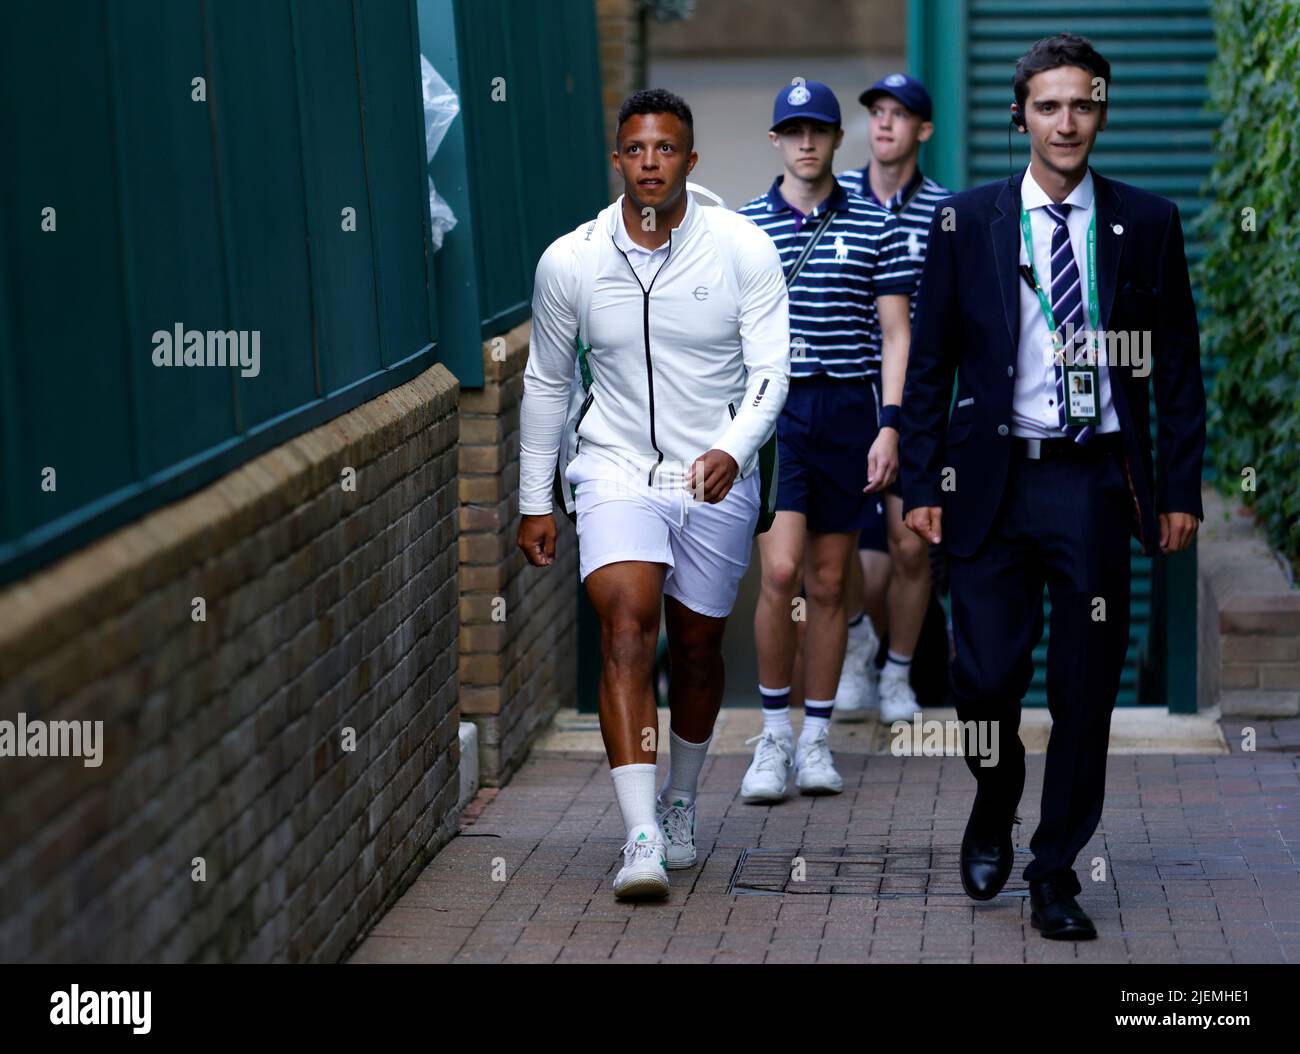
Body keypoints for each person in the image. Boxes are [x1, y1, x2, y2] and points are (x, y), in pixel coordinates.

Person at [900, 33, 1206, 939]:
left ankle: (1054, 870)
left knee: (1085, 687)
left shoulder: (1146, 222)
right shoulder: (967, 221)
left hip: (1094, 485)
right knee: (983, 675)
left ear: (1101, 112)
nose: (1066, 122)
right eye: (1048, 106)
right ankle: (995, 796)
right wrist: (921, 479)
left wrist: (1179, 487)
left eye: (1082, 105)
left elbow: (1179, 368)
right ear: (1020, 115)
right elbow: (929, 366)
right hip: (992, 484)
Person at [517, 89, 790, 899]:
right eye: (635, 150)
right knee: (629, 627)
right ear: (618, 160)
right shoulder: (572, 259)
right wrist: (537, 497)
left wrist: (734, 450)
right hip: (614, 469)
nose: (649, 164)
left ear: (690, 161)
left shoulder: (743, 251)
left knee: (698, 649)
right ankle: (639, 835)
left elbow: (774, 372)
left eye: (665, 150)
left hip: (714, 474)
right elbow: (545, 382)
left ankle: (679, 801)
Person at [736, 80, 913, 802]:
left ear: (840, 140)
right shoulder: (745, 229)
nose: (806, 142)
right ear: (776, 140)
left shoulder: (876, 221)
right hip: (777, 411)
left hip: (848, 409)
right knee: (780, 575)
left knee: (831, 582)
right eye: (793, 130)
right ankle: (772, 736)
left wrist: (891, 423)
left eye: (819, 130)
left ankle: (816, 739)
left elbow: (897, 332)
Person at [832, 73, 952, 723]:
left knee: (911, 547)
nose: (883, 124)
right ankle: (856, 646)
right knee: (837, 547)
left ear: (922, 131)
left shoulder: (948, 211)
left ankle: (899, 675)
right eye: (875, 112)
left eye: (898, 115)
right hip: (846, 402)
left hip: (920, 410)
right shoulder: (835, 197)